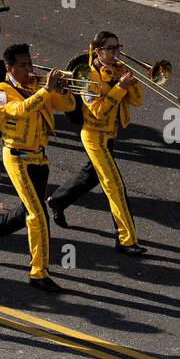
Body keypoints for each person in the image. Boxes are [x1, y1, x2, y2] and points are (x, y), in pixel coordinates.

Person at [0, 43, 75, 292]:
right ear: (10, 67)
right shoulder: (0, 90)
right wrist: (46, 91)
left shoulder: (35, 85)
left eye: (30, 63)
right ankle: (38, 273)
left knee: (25, 212)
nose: (29, 68)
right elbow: (19, 111)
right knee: (38, 215)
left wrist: (62, 91)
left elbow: (68, 106)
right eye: (23, 65)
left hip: (39, 158)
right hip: (18, 157)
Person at [47, 31, 146, 254]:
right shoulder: (86, 76)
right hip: (94, 137)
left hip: (111, 135)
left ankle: (58, 201)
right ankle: (126, 240)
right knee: (115, 186)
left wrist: (132, 82)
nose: (116, 53)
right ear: (98, 51)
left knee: (90, 176)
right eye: (111, 49)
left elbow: (137, 101)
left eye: (118, 47)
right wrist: (120, 87)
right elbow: (99, 111)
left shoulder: (118, 70)